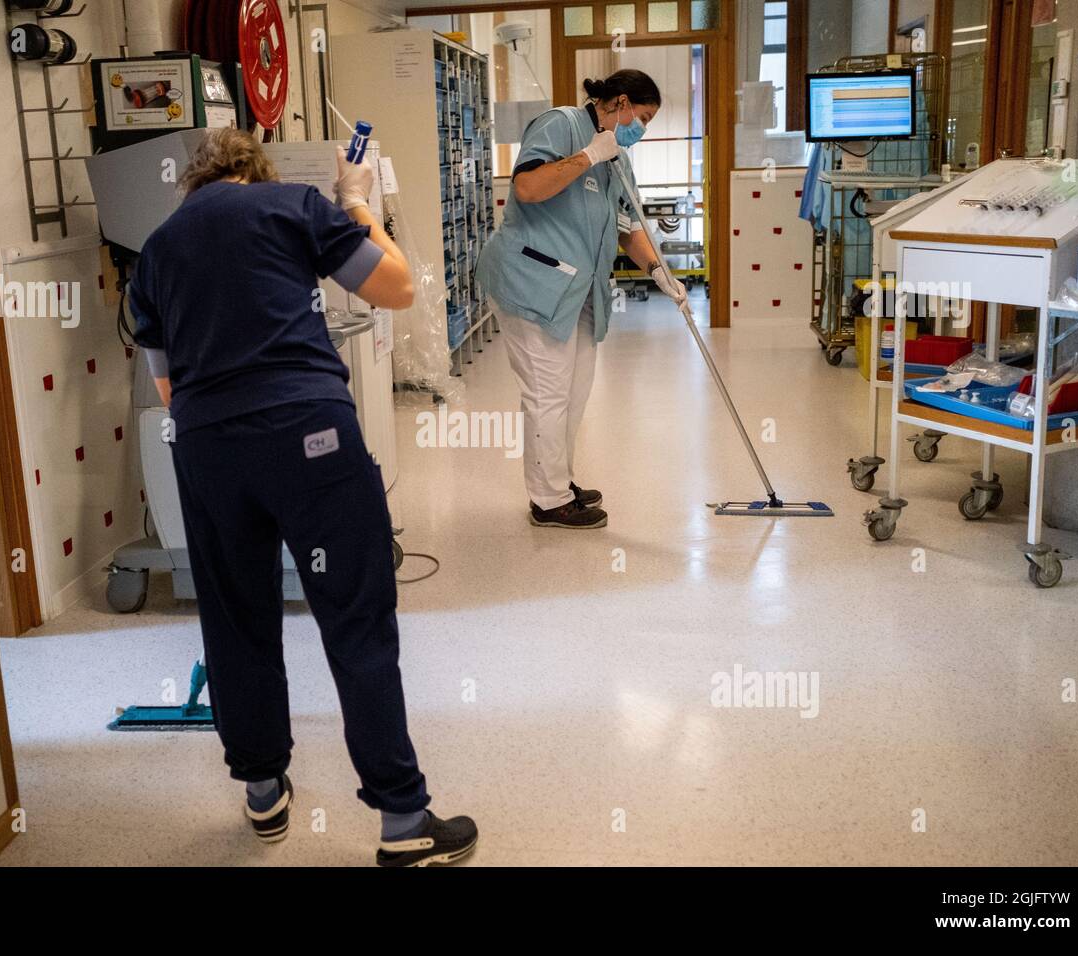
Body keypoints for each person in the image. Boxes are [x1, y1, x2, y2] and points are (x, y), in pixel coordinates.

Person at [128, 128, 476, 867]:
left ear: (194, 186)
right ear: (257, 175)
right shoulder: (294, 207)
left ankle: (261, 789)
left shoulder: (155, 252)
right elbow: (398, 288)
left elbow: (168, 388)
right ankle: (403, 821)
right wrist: (359, 206)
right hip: (308, 436)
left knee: (235, 620)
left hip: (210, 452)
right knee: (356, 621)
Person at [477, 69, 687, 529]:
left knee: (572, 395)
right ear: (623, 102)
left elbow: (631, 228)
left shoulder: (620, 160)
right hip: (532, 282)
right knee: (547, 394)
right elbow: (528, 188)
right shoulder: (561, 125)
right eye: (643, 117)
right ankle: (548, 501)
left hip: (578, 292)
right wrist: (589, 155)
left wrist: (659, 271)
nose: (642, 129)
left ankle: (558, 480)